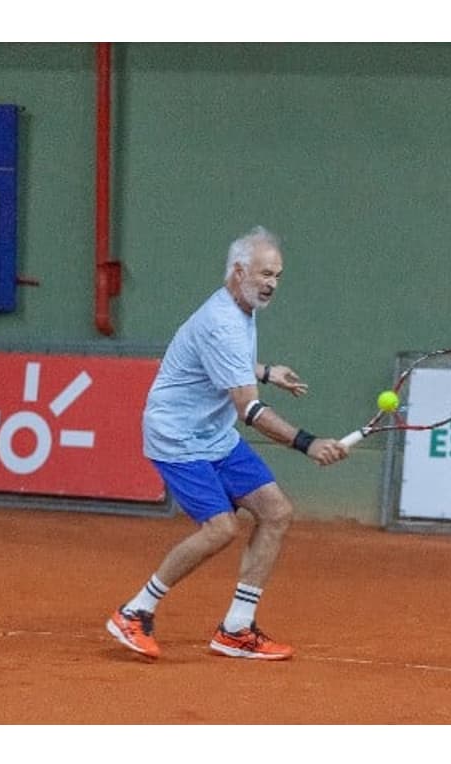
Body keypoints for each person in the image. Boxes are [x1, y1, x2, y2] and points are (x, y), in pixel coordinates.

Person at [106, 225, 349, 661]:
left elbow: (224, 362)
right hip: (177, 435)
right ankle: (135, 611)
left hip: (213, 433)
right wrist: (307, 443)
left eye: (277, 276)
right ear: (239, 272)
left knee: (276, 512)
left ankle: (236, 629)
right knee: (220, 528)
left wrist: (265, 371)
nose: (273, 284)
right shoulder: (222, 323)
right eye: (265, 274)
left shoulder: (240, 310)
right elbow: (249, 411)